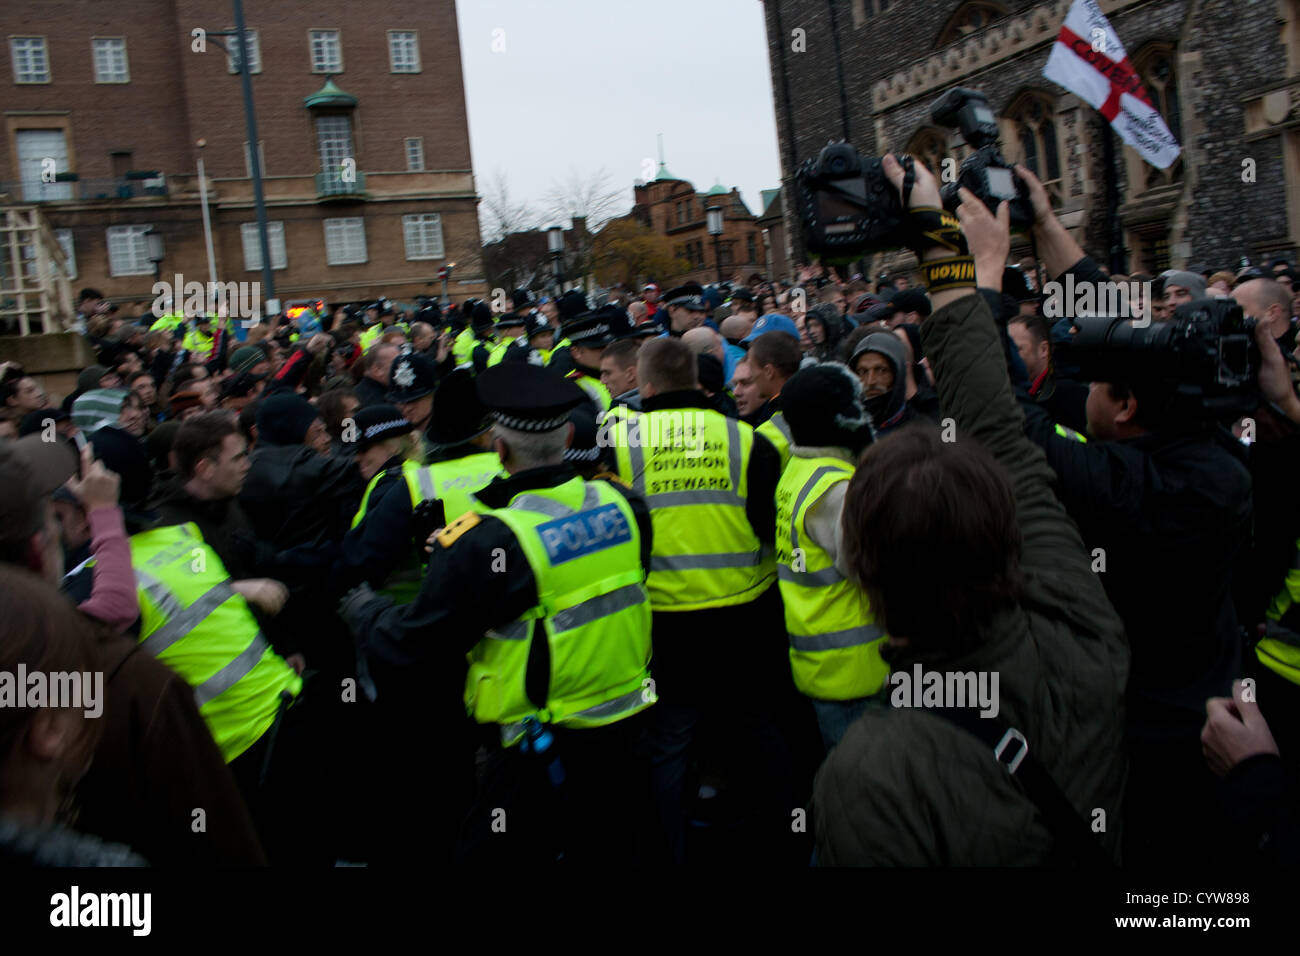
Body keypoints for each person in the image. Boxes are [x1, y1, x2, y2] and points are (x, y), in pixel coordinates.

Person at [814, 158, 1127, 866]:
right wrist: (950, 262)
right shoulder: (1083, 630)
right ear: (1004, 533)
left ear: (862, 575)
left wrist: (955, 264)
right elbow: (1002, 441)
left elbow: (1003, 445)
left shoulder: (870, 775)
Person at [1013, 162, 1252, 867]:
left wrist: (963, 272)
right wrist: (1046, 225)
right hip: (1206, 707)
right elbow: (1111, 328)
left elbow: (1007, 424)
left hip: (1154, 740)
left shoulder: (1136, 486)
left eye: (1097, 378)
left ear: (1124, 409)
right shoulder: (1215, 451)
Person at [339, 363, 659, 864]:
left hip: (535, 751)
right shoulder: (624, 505)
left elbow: (412, 644)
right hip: (627, 731)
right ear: (569, 434)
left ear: (499, 448)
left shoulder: (488, 539)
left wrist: (366, 610)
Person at [606, 337, 792, 864]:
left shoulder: (619, 441)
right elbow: (767, 529)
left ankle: (671, 850)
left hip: (664, 625)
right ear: (695, 379)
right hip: (743, 619)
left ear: (644, 385)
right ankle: (778, 837)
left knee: (670, 743)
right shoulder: (746, 439)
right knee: (756, 729)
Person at [774, 363, 887, 749]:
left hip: (821, 664)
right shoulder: (837, 488)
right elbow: (875, 570)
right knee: (871, 793)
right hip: (858, 671)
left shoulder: (799, 470)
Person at [746, 326, 802, 470]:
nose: (751, 376)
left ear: (769, 371)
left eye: (751, 369)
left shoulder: (767, 434)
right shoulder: (821, 408)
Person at [600, 337, 642, 411]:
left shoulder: (619, 414)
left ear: (630, 374)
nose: (602, 381)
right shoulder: (664, 401)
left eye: (607, 373)